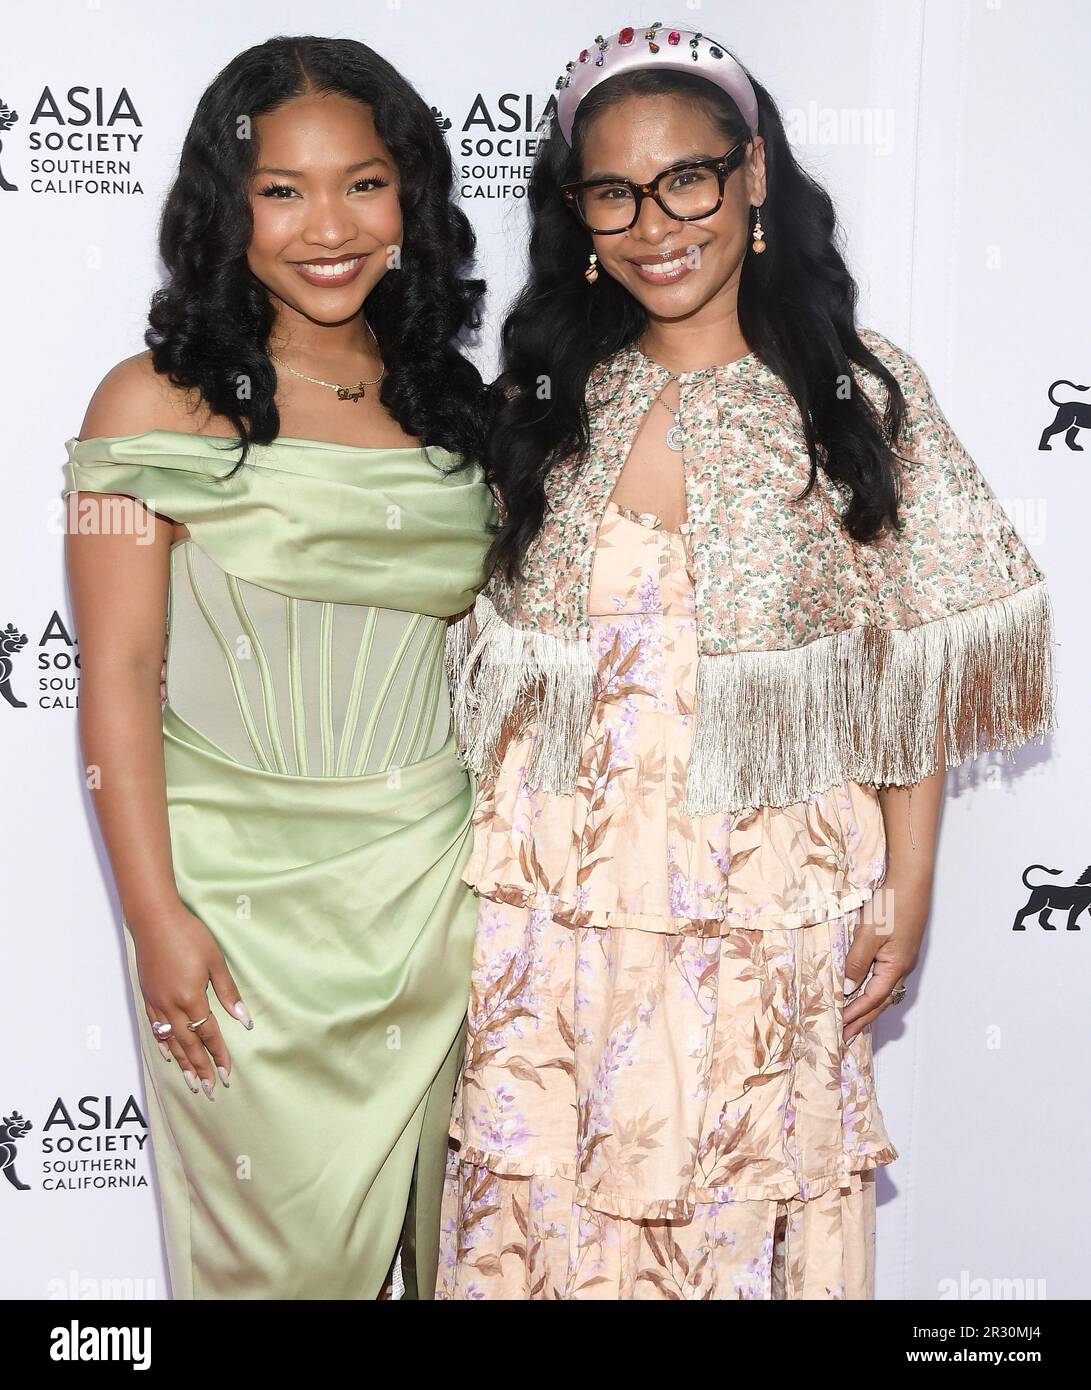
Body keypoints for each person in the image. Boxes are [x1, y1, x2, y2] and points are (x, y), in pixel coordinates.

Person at [437, 24, 1057, 1299]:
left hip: (764, 906)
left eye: (688, 178)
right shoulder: (543, 404)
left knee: (747, 1203)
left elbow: (914, 670)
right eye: (612, 191)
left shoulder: (856, 394)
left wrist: (910, 878)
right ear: (579, 215)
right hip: (563, 911)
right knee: (541, 1209)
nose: (654, 221)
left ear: (753, 174)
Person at [62, 35, 495, 1300]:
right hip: (240, 913)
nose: (329, 227)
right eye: (283, 190)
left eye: (363, 183)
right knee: (275, 1270)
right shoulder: (145, 405)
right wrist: (153, 916)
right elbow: (117, 672)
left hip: (439, 896)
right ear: (227, 206)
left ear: (409, 196)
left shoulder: (450, 404)